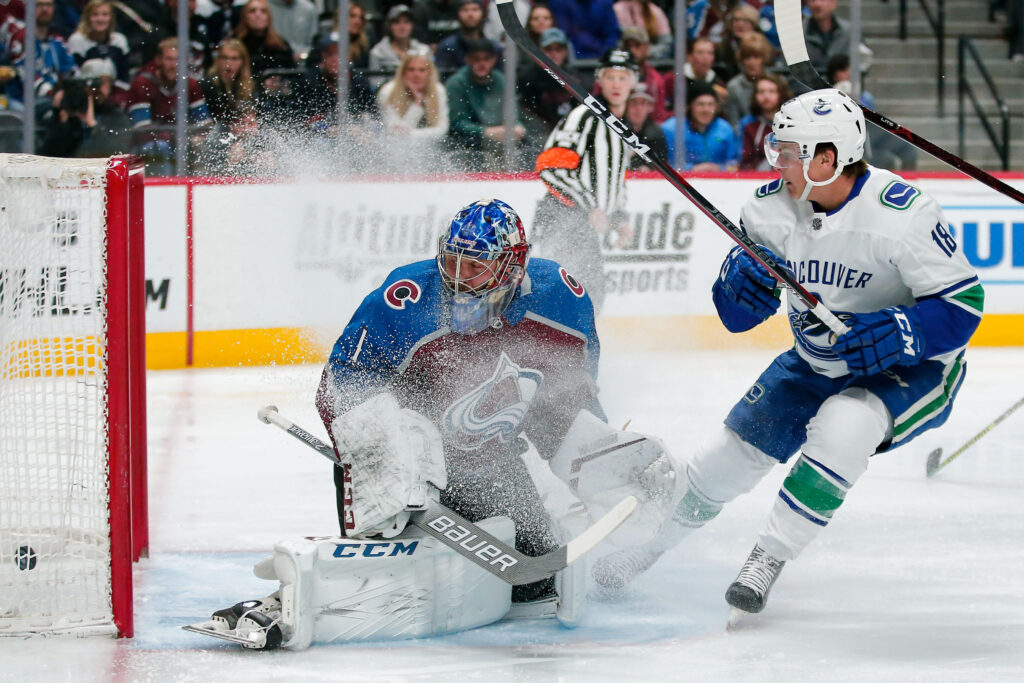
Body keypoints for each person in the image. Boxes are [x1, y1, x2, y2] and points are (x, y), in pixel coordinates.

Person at [188, 199, 684, 650]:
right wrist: (388, 455)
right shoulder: (405, 300)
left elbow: (564, 400)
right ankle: (310, 594)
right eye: (452, 262)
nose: (458, 279)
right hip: (396, 463)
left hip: (486, 461)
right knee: (397, 570)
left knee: (532, 581)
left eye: (475, 266)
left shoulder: (562, 301)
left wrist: (595, 456)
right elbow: (340, 384)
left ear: (513, 265)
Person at [592, 89, 985, 619]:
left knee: (844, 426)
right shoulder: (768, 208)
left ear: (829, 157)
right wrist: (737, 286)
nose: (777, 160)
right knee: (723, 464)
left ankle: (767, 557)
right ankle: (650, 545)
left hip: (911, 371)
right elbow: (736, 319)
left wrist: (900, 329)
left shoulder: (904, 214)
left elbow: (964, 304)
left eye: (791, 151)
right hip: (815, 362)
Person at [533, 48, 637, 312]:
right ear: (599, 80)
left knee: (589, 292)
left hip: (583, 221)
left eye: (623, 77)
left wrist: (619, 218)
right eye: (610, 77)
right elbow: (551, 168)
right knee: (575, 292)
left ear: (633, 82)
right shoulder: (584, 116)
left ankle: (571, 350)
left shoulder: (621, 128)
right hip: (561, 215)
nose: (616, 84)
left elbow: (615, 181)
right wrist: (590, 207)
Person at [126, 37, 212, 174]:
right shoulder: (143, 83)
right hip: (147, 145)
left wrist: (199, 138)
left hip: (181, 140)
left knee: (208, 144)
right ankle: (167, 187)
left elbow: (205, 123)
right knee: (161, 147)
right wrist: (177, 137)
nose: (174, 65)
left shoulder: (190, 84)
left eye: (178, 59)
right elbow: (142, 130)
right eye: (169, 59)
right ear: (158, 60)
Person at [445, 38, 523, 172]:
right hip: (469, 141)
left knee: (526, 142)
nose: (482, 63)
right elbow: (457, 123)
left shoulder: (502, 80)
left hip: (500, 136)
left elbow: (513, 113)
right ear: (468, 60)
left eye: (486, 59)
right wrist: (486, 132)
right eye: (476, 59)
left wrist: (517, 127)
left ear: (494, 60)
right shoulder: (456, 83)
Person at [376, 49, 448, 160]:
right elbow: (396, 137)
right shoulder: (388, 92)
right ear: (403, 72)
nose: (416, 75)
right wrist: (417, 104)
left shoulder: (438, 91)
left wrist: (410, 134)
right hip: (395, 156)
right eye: (411, 70)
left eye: (422, 70)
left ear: (429, 73)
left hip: (431, 152)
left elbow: (442, 130)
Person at [3, 0, 75, 109]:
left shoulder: (59, 41)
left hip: (57, 99)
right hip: (25, 102)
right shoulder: (20, 39)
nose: (45, 9)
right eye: (39, 5)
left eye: (48, 5)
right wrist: (54, 93)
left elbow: (71, 72)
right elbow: (28, 77)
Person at [661, 80, 738, 172]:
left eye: (710, 104)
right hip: (682, 181)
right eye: (700, 104)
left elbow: (734, 163)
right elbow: (664, 164)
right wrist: (691, 169)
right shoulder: (672, 129)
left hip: (719, 181)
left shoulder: (725, 129)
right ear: (689, 106)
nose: (706, 110)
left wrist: (720, 168)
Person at [65, 0, 131, 92]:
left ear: (111, 18)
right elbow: (75, 74)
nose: (100, 19)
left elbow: (124, 76)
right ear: (87, 18)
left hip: (116, 91)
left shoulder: (120, 40)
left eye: (105, 14)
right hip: (84, 91)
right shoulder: (77, 40)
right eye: (95, 15)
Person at [738, 72, 791, 171]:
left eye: (771, 91)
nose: (766, 96)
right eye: (761, 92)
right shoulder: (748, 124)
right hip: (759, 177)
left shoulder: (792, 123)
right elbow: (745, 162)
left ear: (780, 94)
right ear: (755, 96)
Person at [368, 4, 428, 89]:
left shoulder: (424, 51)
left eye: (406, 22)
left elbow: (431, 80)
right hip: (390, 97)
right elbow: (375, 85)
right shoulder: (378, 52)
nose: (402, 27)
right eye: (397, 22)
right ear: (389, 26)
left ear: (412, 25)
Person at [231, 0, 295, 81]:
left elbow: (291, 74)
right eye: (252, 11)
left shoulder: (280, 45)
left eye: (263, 11)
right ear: (245, 16)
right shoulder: (235, 43)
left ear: (269, 17)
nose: (258, 15)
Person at [722, 31, 773, 130]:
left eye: (756, 57)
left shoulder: (775, 83)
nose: (751, 62)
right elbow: (734, 124)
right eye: (747, 57)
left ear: (764, 58)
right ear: (741, 59)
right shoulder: (733, 87)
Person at [434, 0, 499, 74]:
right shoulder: (447, 47)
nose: (470, 14)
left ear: (484, 13)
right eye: (465, 10)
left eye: (475, 9)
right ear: (457, 13)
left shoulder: (494, 47)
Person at [618, 26, 667, 123]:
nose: (631, 50)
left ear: (646, 48)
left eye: (637, 45)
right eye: (628, 46)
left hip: (647, 131)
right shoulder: (611, 77)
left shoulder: (656, 80)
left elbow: (659, 116)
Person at [201, 38, 255, 125]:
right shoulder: (207, 85)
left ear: (243, 61)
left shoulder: (250, 86)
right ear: (217, 60)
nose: (229, 63)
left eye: (234, 58)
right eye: (225, 58)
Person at [546, 0, 619, 60]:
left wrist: (606, 53)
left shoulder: (605, 3)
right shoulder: (559, 2)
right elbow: (562, 33)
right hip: (570, 55)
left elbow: (612, 32)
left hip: (600, 54)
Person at [624, 83, 667, 171]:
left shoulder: (656, 133)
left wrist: (648, 168)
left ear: (650, 107)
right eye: (634, 103)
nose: (638, 108)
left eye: (643, 103)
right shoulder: (616, 129)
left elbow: (662, 163)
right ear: (626, 105)